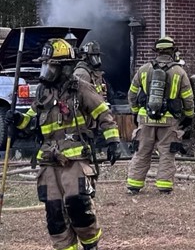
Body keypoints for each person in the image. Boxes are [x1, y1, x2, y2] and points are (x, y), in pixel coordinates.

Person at [7, 38, 121, 250]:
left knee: (78, 205)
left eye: (51, 66)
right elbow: (32, 121)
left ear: (65, 68)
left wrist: (113, 141)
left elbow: (104, 114)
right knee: (54, 213)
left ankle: (90, 245)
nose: (46, 71)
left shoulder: (82, 89)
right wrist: (17, 121)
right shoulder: (43, 92)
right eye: (45, 65)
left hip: (75, 159)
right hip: (49, 160)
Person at [125, 36, 195, 194]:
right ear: (173, 52)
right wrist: (189, 116)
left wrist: (136, 113)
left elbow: (132, 94)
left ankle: (133, 185)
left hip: (145, 119)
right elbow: (188, 98)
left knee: (142, 152)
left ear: (156, 51)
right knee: (167, 153)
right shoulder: (179, 72)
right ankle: (164, 187)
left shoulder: (143, 70)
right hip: (169, 121)